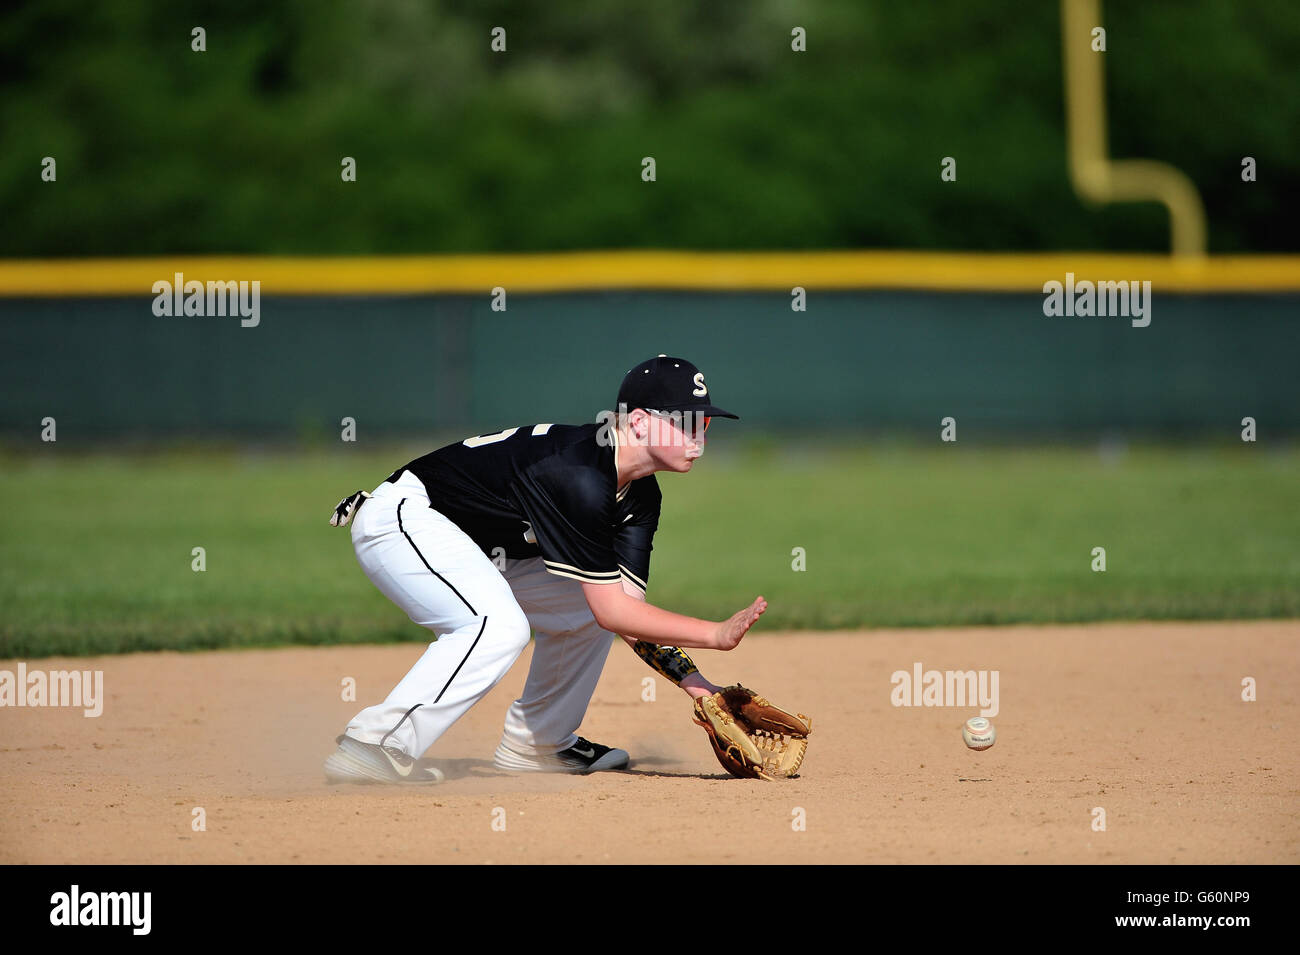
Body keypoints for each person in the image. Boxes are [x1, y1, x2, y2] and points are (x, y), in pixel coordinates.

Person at [323, 355, 767, 783]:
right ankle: (376, 744)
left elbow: (625, 613)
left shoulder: (639, 496)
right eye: (685, 422)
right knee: (498, 626)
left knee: (586, 610)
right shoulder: (577, 473)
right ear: (639, 422)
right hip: (404, 519)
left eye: (703, 424)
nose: (699, 439)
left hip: (472, 547)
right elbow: (615, 612)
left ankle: (537, 743)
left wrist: (702, 689)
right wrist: (715, 635)